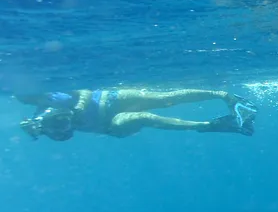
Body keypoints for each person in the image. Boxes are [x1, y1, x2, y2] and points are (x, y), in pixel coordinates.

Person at [17, 88, 257, 141]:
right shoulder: (41, 115)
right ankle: (207, 124)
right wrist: (43, 130)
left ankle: (225, 96)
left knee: (163, 98)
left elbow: (83, 91)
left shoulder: (53, 92)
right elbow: (64, 136)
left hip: (107, 98)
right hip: (109, 124)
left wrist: (78, 108)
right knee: (144, 117)